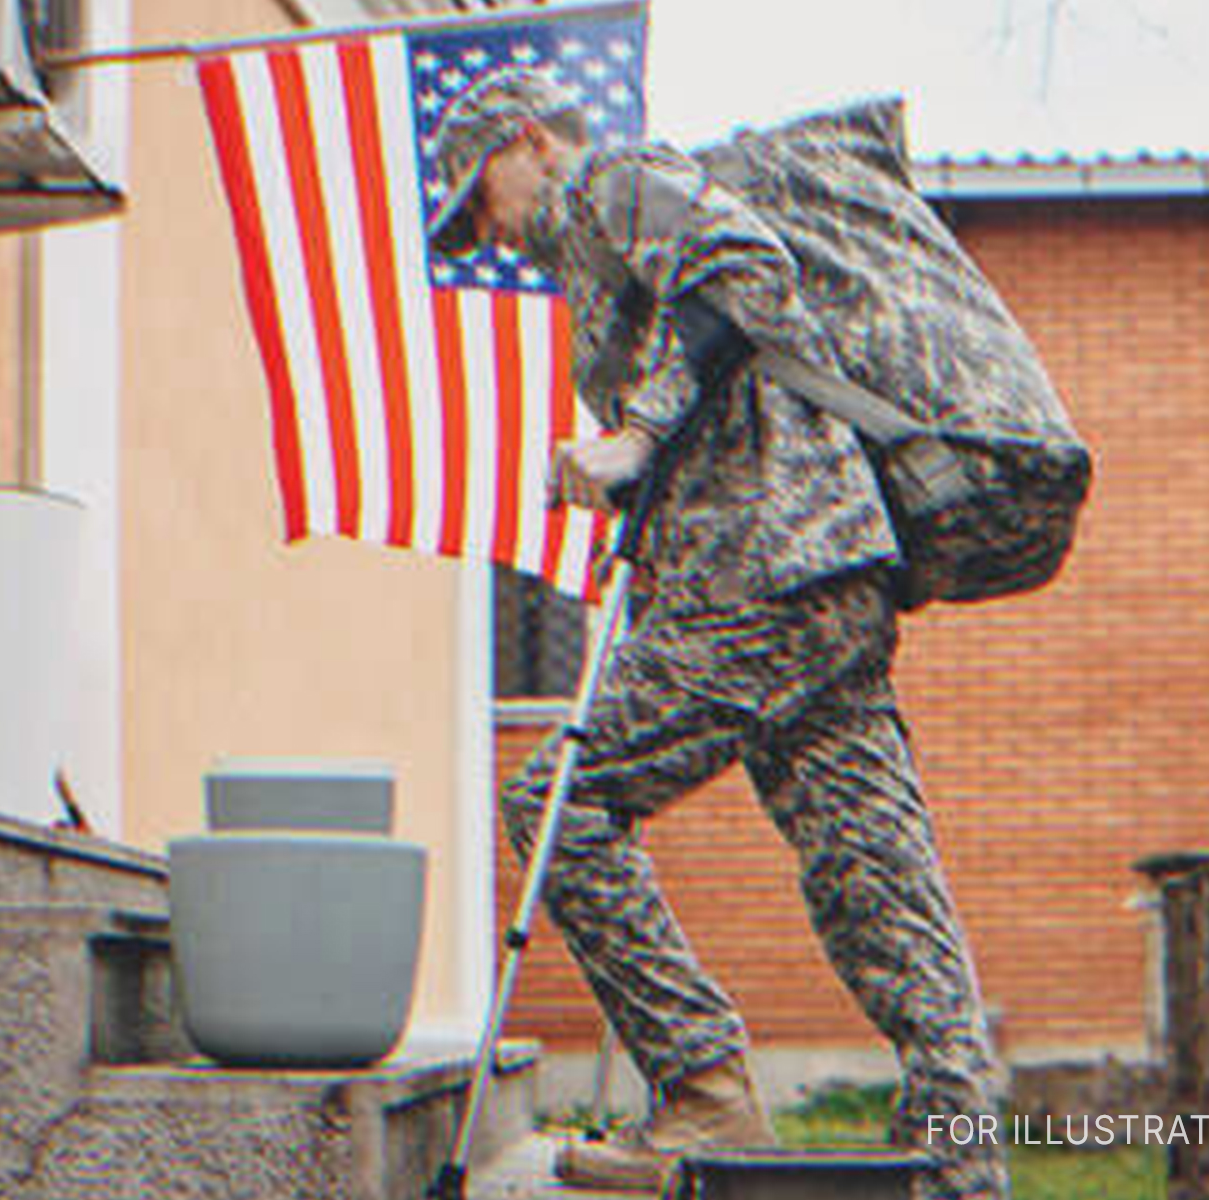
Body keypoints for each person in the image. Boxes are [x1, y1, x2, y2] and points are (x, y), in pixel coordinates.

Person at [425, 68, 1011, 1199]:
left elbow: (753, 269)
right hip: (823, 574)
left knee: (557, 803)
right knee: (870, 870)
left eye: (479, 196)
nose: (484, 228)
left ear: (531, 142)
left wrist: (637, 436)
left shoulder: (615, 181)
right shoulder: (602, 249)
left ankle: (702, 1089)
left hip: (763, 571)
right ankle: (959, 1141)